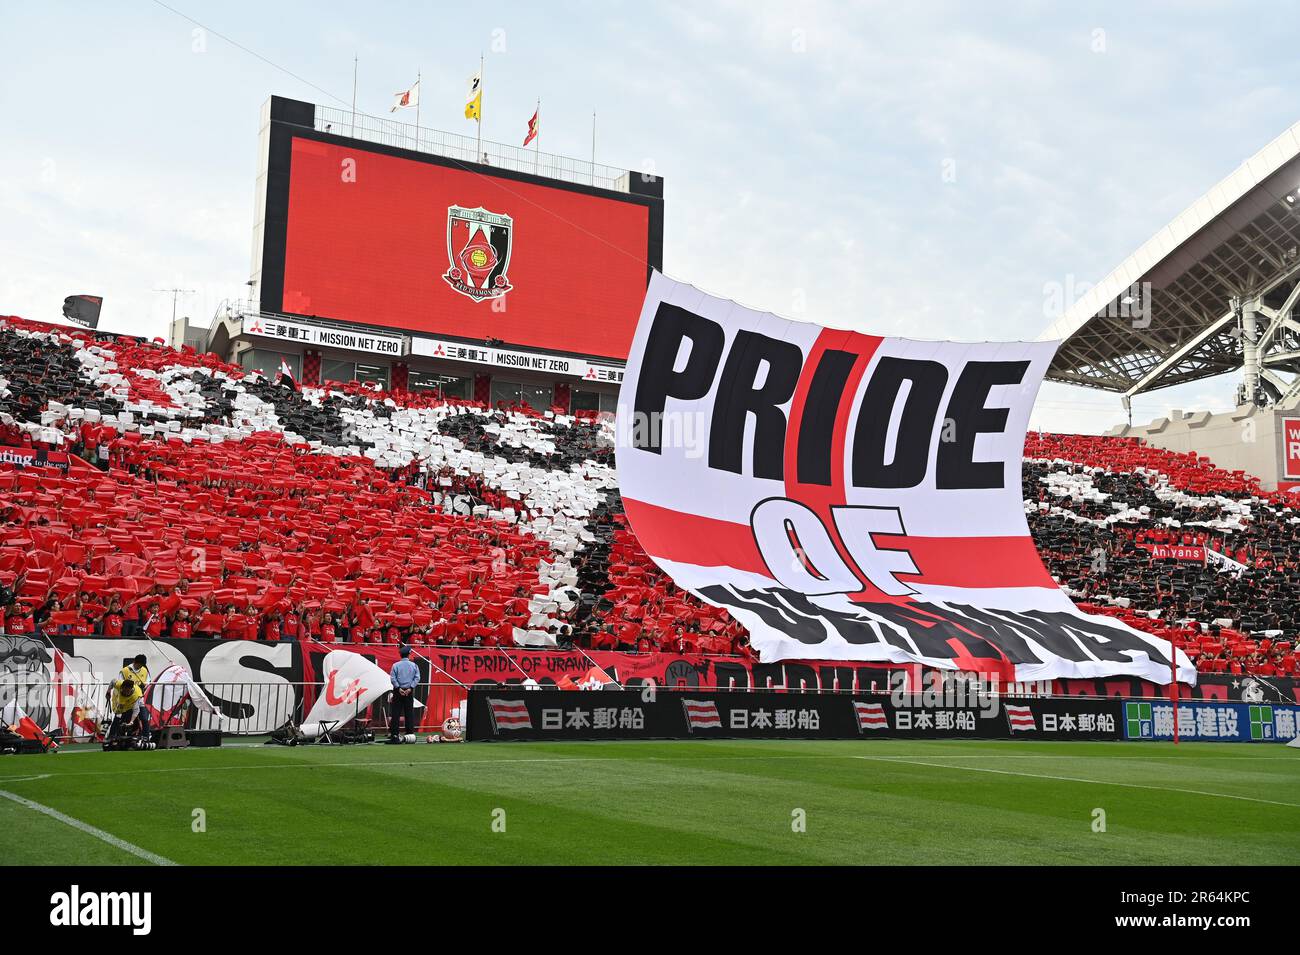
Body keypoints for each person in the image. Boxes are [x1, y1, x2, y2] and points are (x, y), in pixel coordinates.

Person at [105, 677, 151, 747]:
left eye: (127, 690)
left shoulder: (136, 694)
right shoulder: (118, 684)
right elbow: (112, 681)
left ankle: (146, 737)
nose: (125, 692)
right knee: (118, 717)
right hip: (125, 703)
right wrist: (108, 691)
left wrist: (131, 721)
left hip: (138, 702)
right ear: (122, 687)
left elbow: (136, 710)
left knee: (144, 718)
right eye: (124, 690)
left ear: (131, 689)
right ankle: (112, 736)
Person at [387, 645, 420, 744]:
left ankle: (394, 734)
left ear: (401, 655)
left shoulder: (395, 665)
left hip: (398, 691)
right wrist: (410, 688)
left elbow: (393, 678)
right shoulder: (414, 665)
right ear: (409, 654)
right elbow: (417, 677)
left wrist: (398, 688)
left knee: (395, 713)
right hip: (409, 691)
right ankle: (410, 734)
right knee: (409, 713)